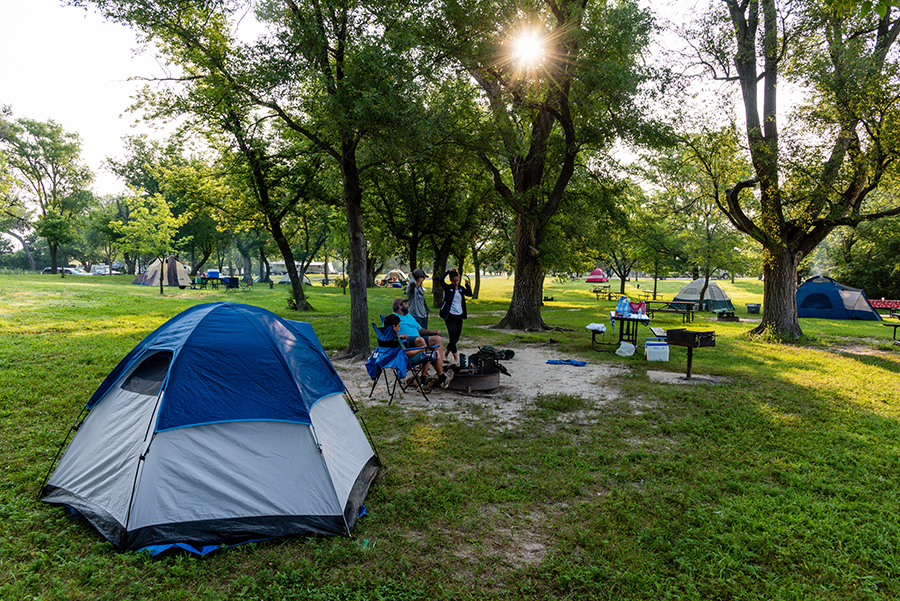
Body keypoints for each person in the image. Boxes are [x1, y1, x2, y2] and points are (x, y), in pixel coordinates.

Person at [390, 298, 454, 389]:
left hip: (418, 338)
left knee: (437, 339)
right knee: (421, 342)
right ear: (400, 306)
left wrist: (432, 332)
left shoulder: (410, 316)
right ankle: (437, 376)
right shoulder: (393, 317)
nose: (407, 306)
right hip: (407, 342)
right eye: (405, 304)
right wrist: (400, 336)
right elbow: (389, 333)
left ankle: (439, 370)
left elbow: (420, 330)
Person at [439, 268, 472, 365]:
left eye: (457, 280)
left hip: (459, 315)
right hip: (450, 316)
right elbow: (441, 280)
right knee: (452, 338)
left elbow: (470, 294)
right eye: (454, 281)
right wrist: (448, 272)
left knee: (456, 338)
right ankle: (456, 359)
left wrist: (467, 285)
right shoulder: (448, 288)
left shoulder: (461, 289)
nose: (456, 283)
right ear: (451, 281)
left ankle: (444, 355)